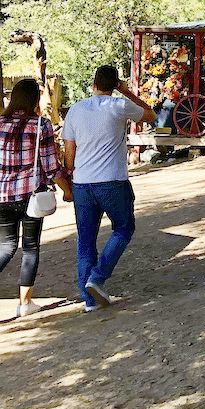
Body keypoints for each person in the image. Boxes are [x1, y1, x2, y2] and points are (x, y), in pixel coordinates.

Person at [62, 65, 157, 309]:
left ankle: (89, 300)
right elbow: (150, 115)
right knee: (123, 229)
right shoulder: (119, 105)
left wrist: (71, 176)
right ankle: (98, 276)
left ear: (93, 84)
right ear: (115, 85)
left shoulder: (75, 109)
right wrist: (126, 91)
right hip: (112, 180)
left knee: (85, 241)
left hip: (83, 183)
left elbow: (69, 151)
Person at [0, 79, 72, 318]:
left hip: (2, 196)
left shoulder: (0, 124)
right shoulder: (40, 125)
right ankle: (25, 304)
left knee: (6, 247)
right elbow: (51, 166)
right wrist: (67, 190)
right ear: (34, 99)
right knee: (30, 248)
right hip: (31, 196)